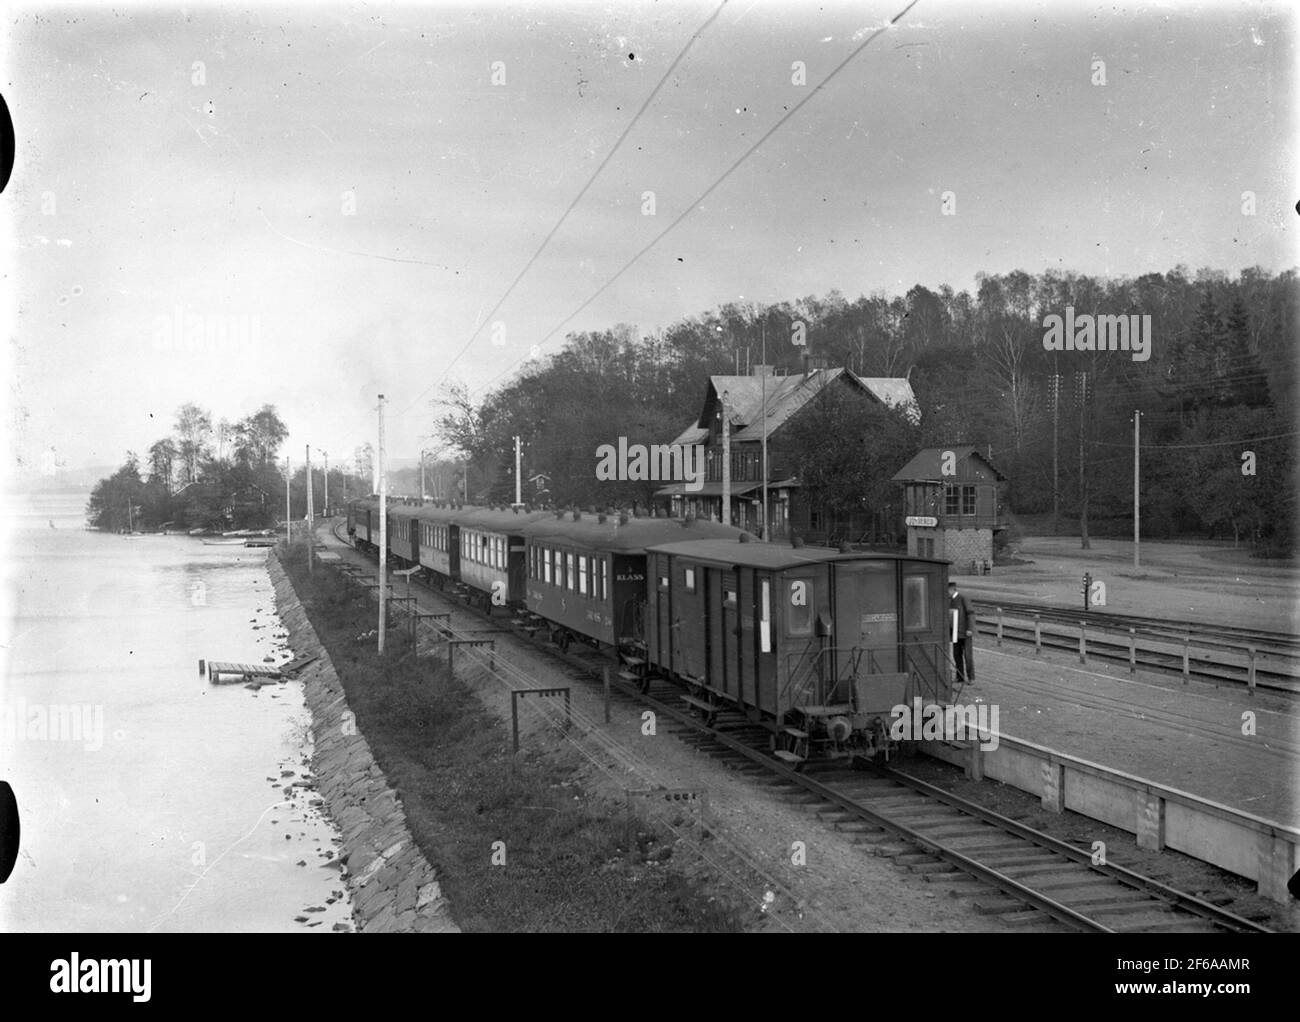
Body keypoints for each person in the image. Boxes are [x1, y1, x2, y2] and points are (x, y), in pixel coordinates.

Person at [948, 580, 975, 686]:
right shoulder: (950, 600)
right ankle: (960, 676)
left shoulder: (963, 598)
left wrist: (970, 629)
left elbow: (971, 614)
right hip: (955, 632)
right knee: (956, 655)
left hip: (965, 632)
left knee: (968, 656)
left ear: (951, 589)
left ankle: (971, 677)